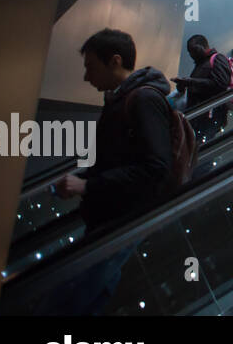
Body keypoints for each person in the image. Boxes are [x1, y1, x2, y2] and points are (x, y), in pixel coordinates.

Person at [49, 28, 175, 314]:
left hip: (121, 223)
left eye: (90, 66)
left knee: (66, 300)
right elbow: (118, 161)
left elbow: (156, 169)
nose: (86, 76)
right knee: (86, 298)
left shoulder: (143, 100)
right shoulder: (120, 100)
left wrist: (87, 187)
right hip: (110, 219)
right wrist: (84, 181)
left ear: (115, 61)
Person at [172, 35, 232, 146]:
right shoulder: (202, 63)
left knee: (202, 148)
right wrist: (183, 84)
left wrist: (191, 81)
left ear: (202, 47)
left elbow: (221, 83)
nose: (191, 55)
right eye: (190, 52)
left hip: (209, 115)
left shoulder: (218, 59)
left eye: (193, 50)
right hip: (199, 116)